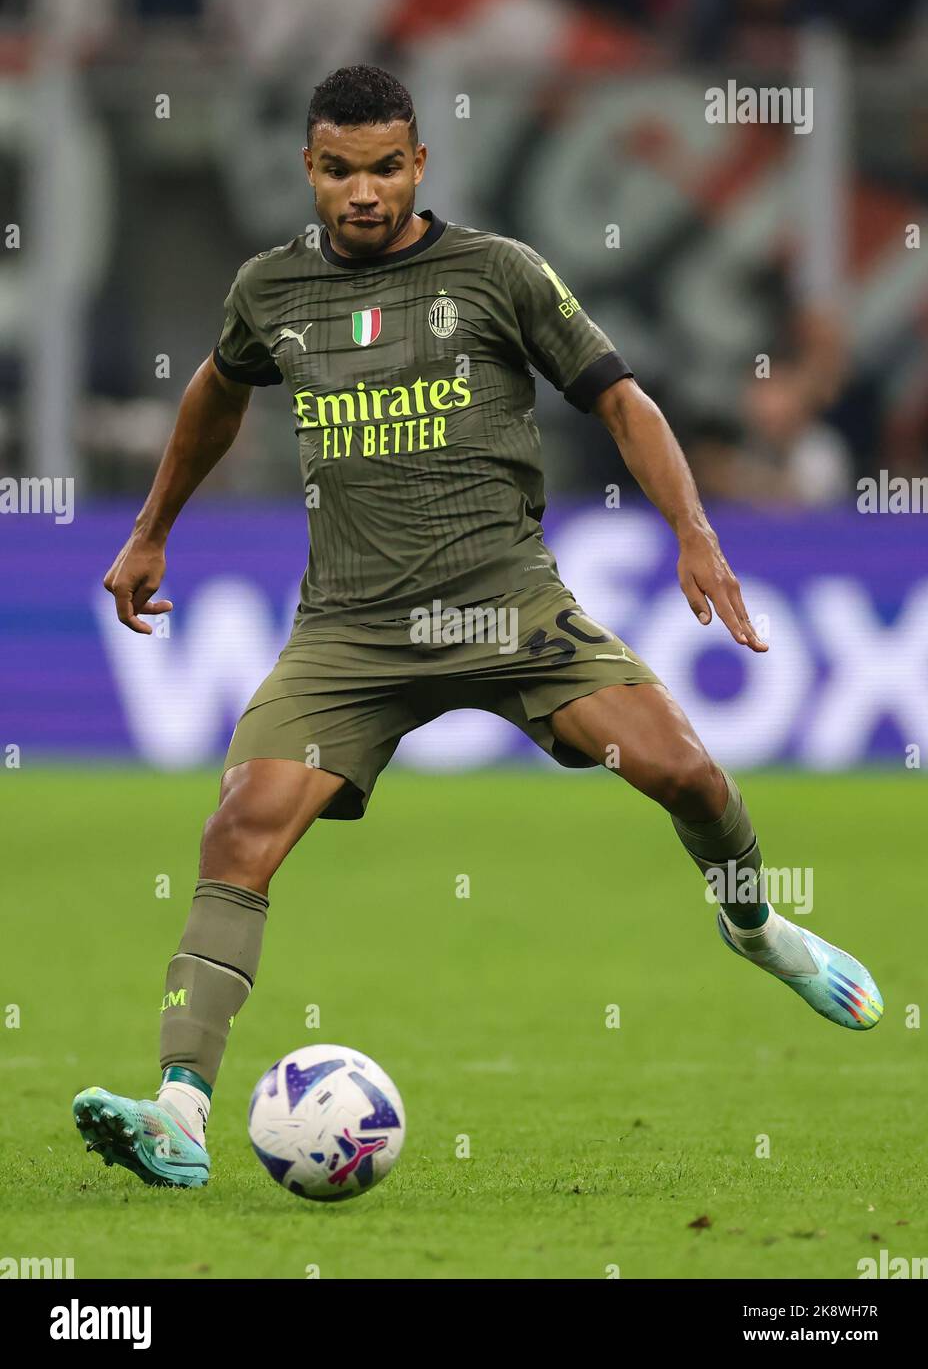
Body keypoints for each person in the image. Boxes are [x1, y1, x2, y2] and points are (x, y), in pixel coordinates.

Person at [73, 64, 882, 1190]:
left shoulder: (497, 273)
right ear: (311, 169)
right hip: (349, 630)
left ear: (419, 164)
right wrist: (153, 527)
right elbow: (215, 389)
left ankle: (754, 927)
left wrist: (695, 533)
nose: (364, 192)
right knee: (237, 831)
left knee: (687, 773)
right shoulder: (270, 290)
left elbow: (621, 398)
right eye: (341, 170)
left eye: (387, 167)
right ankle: (178, 1113)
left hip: (507, 603)